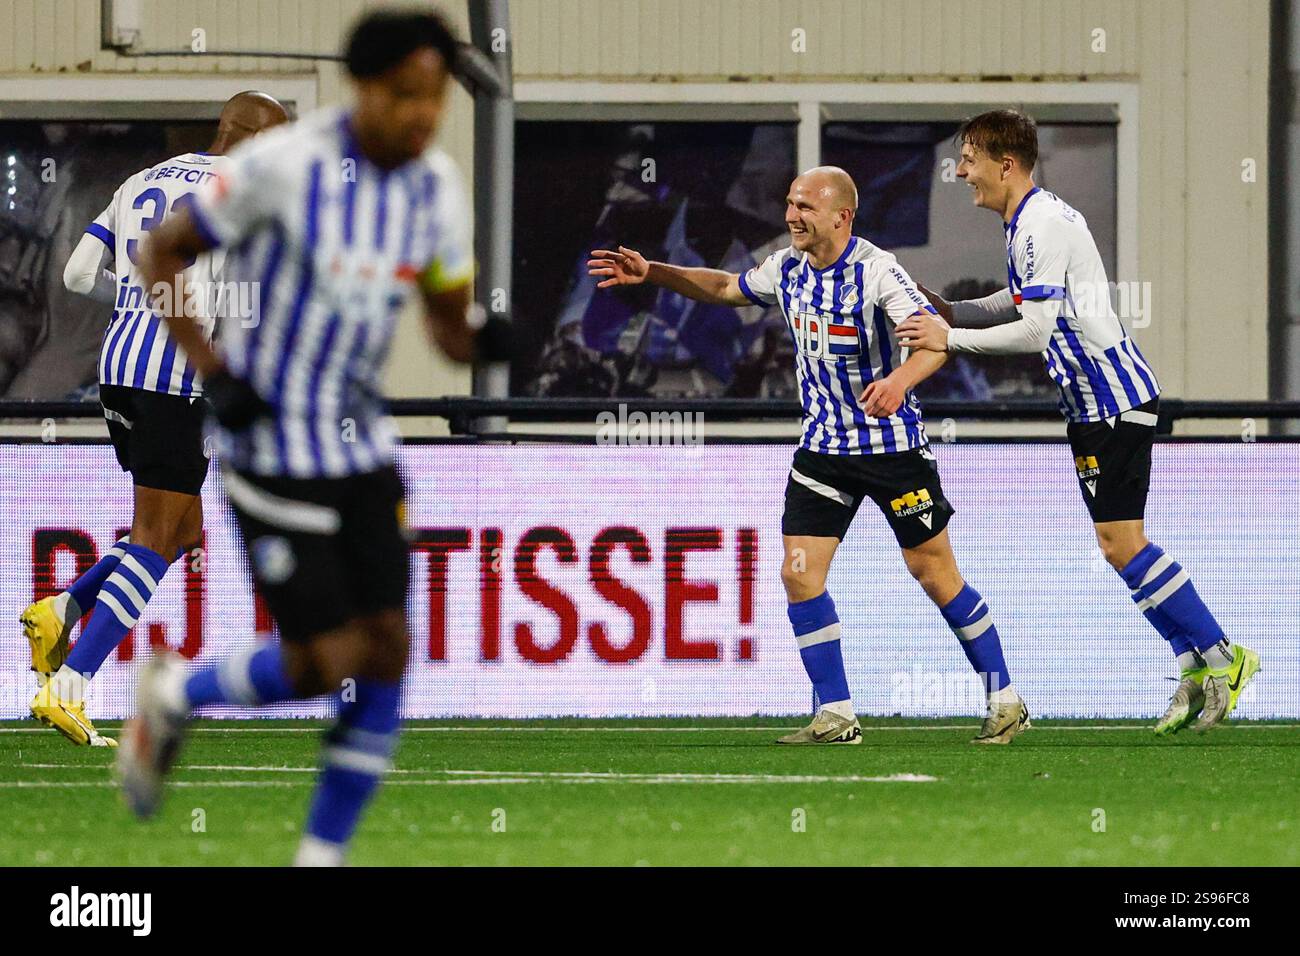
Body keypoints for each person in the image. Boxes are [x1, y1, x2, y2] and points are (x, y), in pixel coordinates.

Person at [116, 8, 504, 865]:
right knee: (329, 659)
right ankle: (177, 690)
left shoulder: (435, 188)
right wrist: (217, 377)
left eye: (435, 97)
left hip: (360, 449)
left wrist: (489, 340)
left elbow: (446, 328)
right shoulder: (281, 167)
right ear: (363, 89)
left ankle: (318, 857)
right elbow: (163, 254)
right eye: (405, 95)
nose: (422, 115)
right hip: (269, 453)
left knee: (391, 650)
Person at [589, 166, 1031, 745]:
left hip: (892, 449)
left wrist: (899, 382)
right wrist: (655, 273)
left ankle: (1006, 699)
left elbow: (933, 341)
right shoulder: (788, 269)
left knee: (934, 573)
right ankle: (836, 713)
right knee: (798, 575)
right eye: (791, 204)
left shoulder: (877, 272)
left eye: (806, 207)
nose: (792, 216)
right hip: (822, 452)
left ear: (842, 217)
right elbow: (726, 289)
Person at [896, 109, 1259, 734]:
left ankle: (1224, 656)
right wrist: (955, 307)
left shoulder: (1039, 224)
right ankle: (1195, 665)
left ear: (1005, 164)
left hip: (1113, 401)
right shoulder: (1030, 221)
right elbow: (1024, 299)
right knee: (1119, 547)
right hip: (1094, 405)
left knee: (1125, 543)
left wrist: (948, 335)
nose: (960, 172)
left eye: (969, 159)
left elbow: (1036, 330)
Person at [25, 91, 288, 747]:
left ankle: (63, 608)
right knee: (155, 534)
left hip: (117, 370)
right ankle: (69, 686)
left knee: (182, 529)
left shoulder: (145, 178)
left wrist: (145, 302)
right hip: (177, 379)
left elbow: (81, 272)